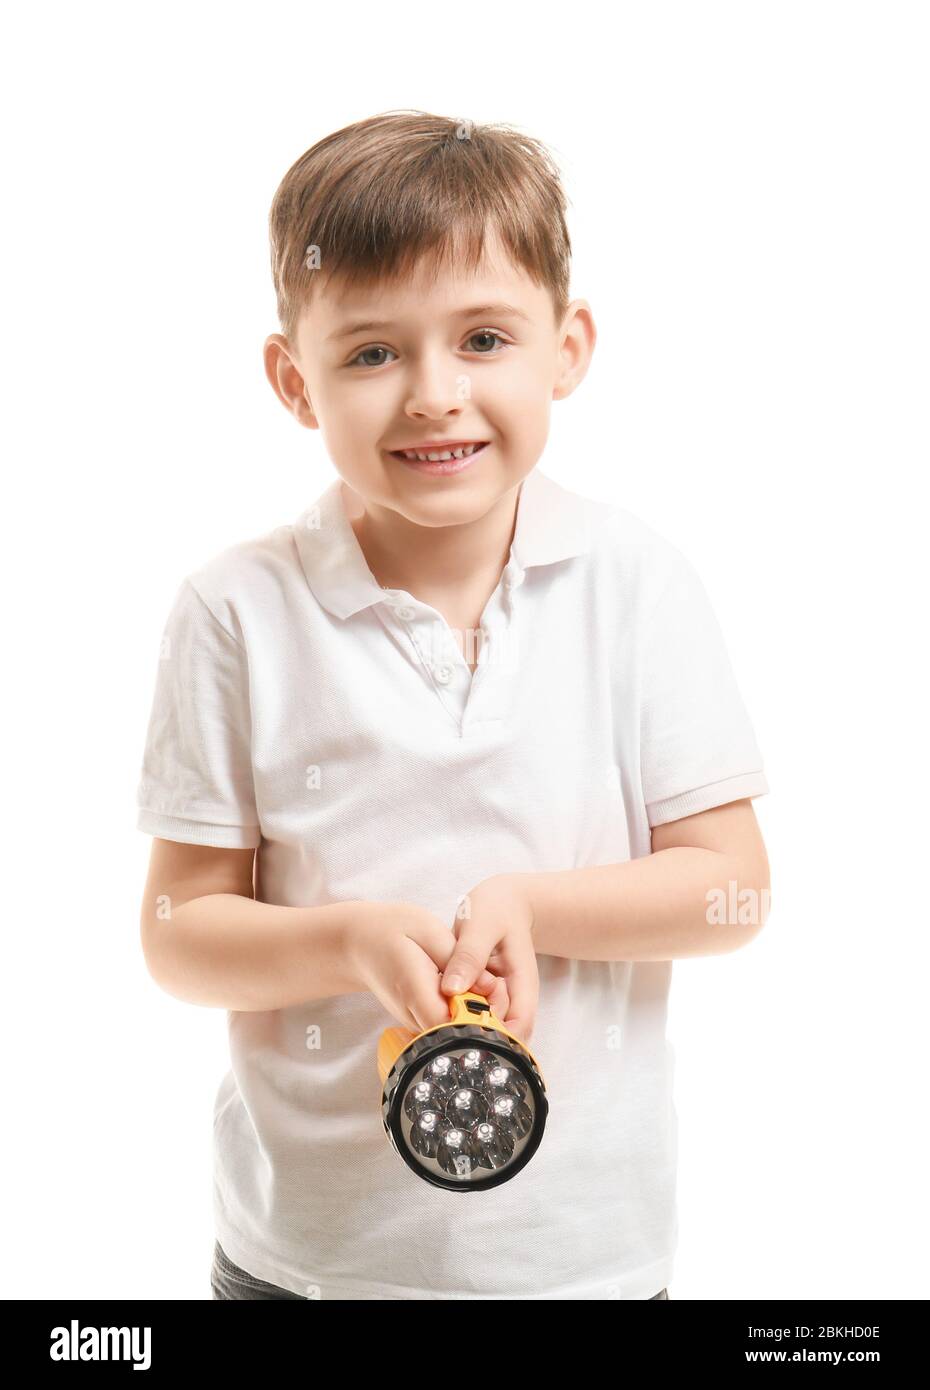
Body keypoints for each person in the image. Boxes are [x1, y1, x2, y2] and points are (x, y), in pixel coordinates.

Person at [137, 110, 771, 1301]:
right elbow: (178, 931)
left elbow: (731, 889)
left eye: (484, 338)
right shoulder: (235, 611)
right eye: (372, 353)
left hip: (584, 1265)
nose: (435, 394)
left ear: (567, 349)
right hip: (306, 1263)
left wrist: (533, 905)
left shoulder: (635, 586)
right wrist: (343, 939)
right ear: (293, 378)